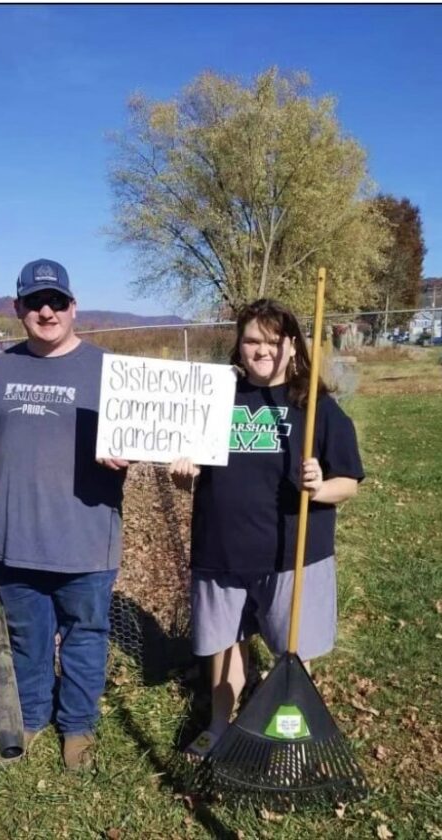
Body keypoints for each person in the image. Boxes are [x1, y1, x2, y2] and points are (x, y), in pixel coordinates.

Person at [169, 298, 364, 757]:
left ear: (292, 346)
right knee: (223, 646)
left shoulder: (317, 407)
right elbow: (194, 470)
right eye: (251, 340)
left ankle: (289, 738)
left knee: (293, 653)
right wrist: (183, 476)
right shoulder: (216, 399)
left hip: (291, 553)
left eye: (272, 341)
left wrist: (319, 487)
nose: (260, 350)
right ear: (238, 345)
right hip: (220, 550)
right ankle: (218, 725)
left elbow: (349, 483)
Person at [0, 258, 128, 771]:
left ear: (74, 307)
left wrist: (128, 453)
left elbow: (141, 440)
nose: (47, 310)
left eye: (56, 301)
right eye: (35, 302)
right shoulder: (0, 368)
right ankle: (31, 718)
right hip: (16, 537)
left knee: (85, 638)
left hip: (86, 537)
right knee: (27, 639)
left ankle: (77, 729)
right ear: (19, 309)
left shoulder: (108, 369)